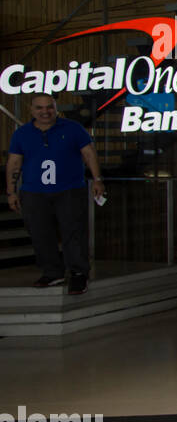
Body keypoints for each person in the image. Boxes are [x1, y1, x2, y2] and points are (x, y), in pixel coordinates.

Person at [5, 93, 105, 294]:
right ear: (31, 110)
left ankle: (78, 274)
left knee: (73, 232)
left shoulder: (73, 128)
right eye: (39, 108)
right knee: (40, 233)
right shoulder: (22, 133)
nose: (45, 112)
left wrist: (97, 180)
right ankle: (52, 272)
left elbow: (89, 153)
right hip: (34, 192)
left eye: (49, 107)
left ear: (55, 108)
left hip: (69, 190)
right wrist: (11, 192)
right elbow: (14, 163)